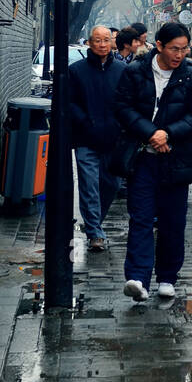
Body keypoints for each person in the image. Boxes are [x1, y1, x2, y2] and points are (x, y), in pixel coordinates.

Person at [113, 22, 192, 301]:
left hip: (176, 158)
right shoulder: (135, 72)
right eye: (175, 49)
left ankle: (167, 277)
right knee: (141, 218)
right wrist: (151, 132)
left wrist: (168, 133)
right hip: (142, 157)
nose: (180, 54)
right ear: (159, 46)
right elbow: (122, 107)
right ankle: (138, 278)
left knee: (172, 221)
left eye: (185, 49)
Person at [67, 26, 126, 252]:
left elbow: (127, 101)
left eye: (106, 40)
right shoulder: (76, 71)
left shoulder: (122, 70)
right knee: (89, 184)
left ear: (112, 43)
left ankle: (94, 222)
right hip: (86, 138)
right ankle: (94, 231)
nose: (102, 44)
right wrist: (85, 121)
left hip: (113, 138)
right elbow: (70, 102)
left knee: (112, 184)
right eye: (97, 40)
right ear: (89, 43)